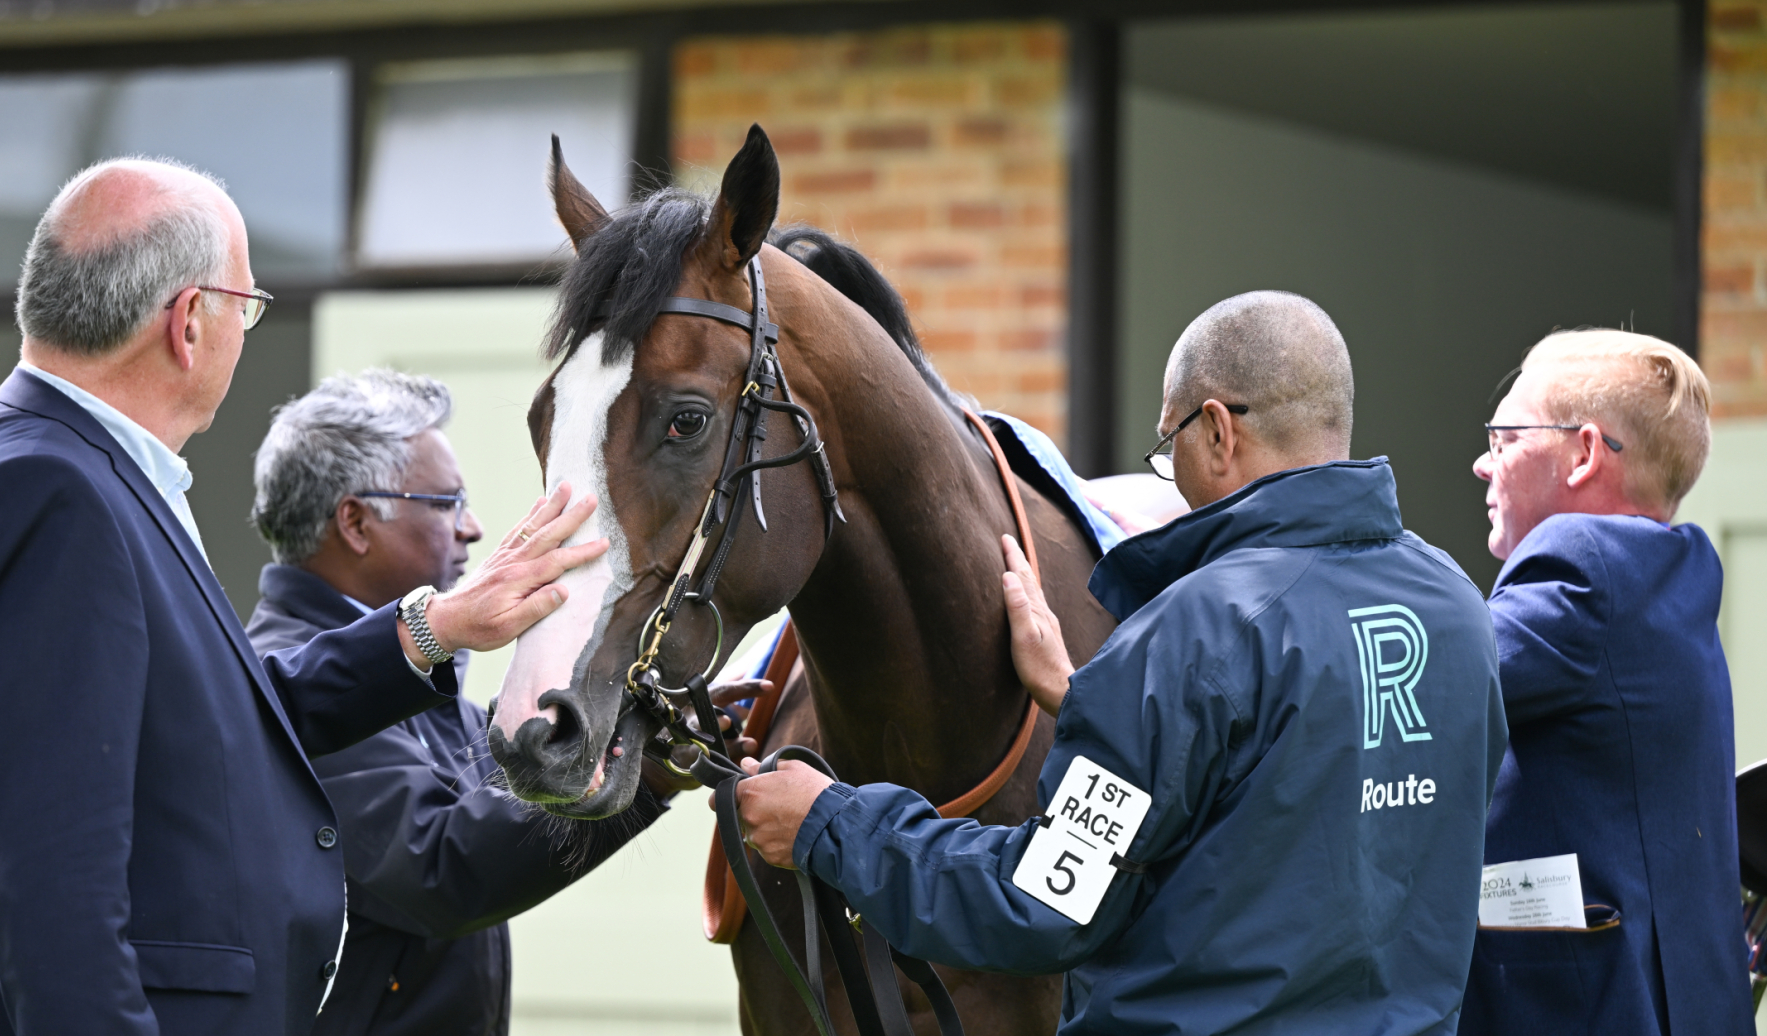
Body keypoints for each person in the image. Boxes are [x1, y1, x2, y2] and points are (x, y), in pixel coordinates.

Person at [0, 157, 607, 1036]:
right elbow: (51, 890)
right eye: (247, 305)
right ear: (189, 321)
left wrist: (433, 626)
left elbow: (224, 720)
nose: (245, 329)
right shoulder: (50, 487)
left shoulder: (69, 465)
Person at [730, 290, 1508, 1035]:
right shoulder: (1457, 604)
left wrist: (831, 824)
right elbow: (1288, 800)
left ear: (1217, 430)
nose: (1173, 473)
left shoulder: (1193, 633)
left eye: (1169, 447)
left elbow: (1046, 900)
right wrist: (1087, 701)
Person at [243, 370, 763, 1036]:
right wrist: (647, 779)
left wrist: (651, 738)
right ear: (356, 522)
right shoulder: (298, 686)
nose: (473, 528)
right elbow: (441, 869)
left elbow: (496, 812)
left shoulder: (411, 673)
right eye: (447, 503)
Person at [1461, 330, 1751, 1035]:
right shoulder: (1671, 568)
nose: (1482, 462)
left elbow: (1426, 686)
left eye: (1504, 438)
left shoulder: (1580, 559)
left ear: (1585, 453)